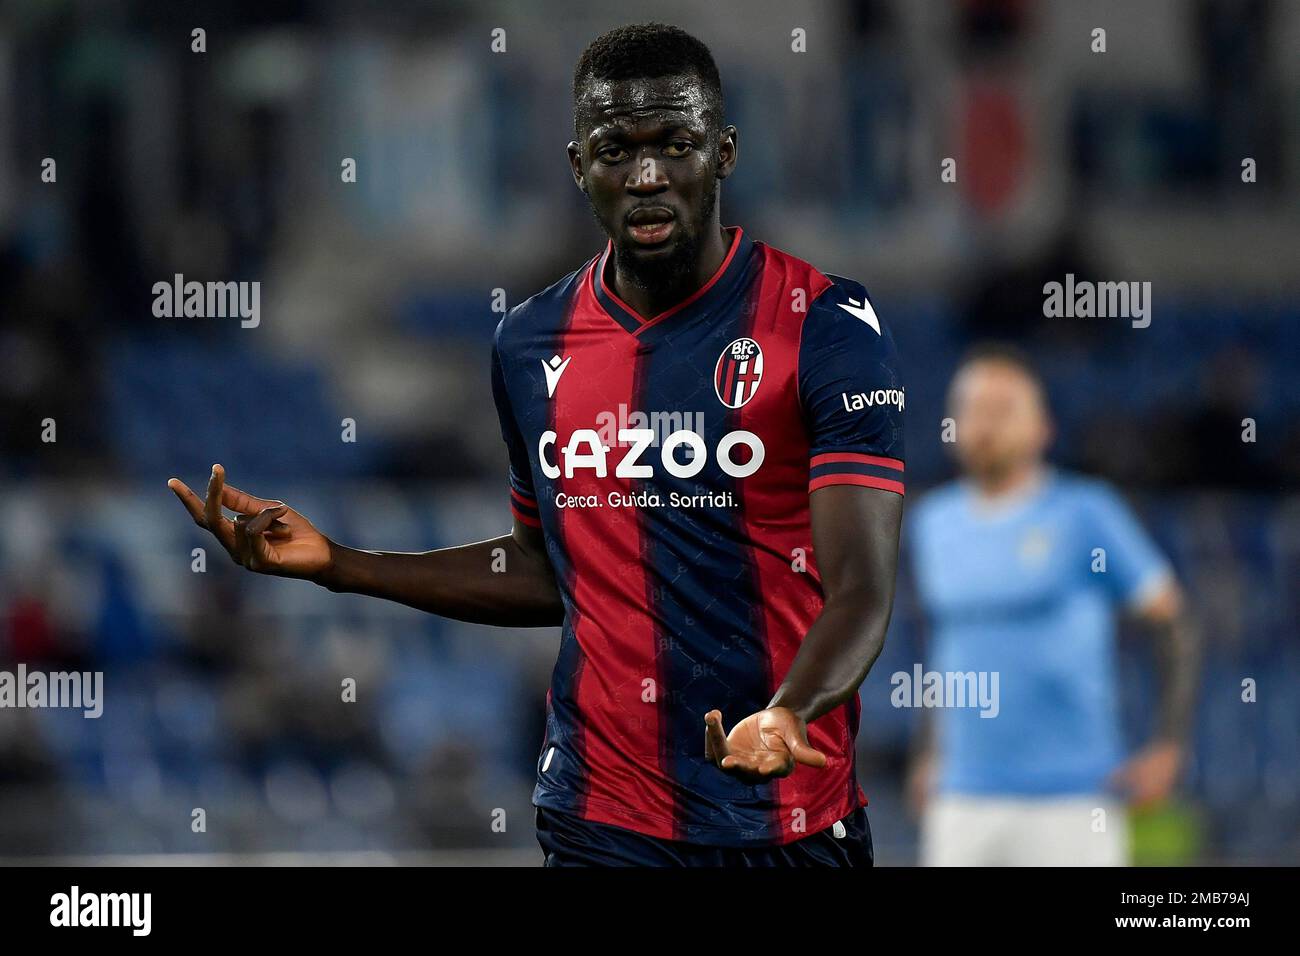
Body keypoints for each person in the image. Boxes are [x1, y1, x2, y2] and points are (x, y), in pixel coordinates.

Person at [169, 22, 906, 867]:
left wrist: (791, 709)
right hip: (600, 817)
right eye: (615, 150)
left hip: (788, 824)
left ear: (727, 152)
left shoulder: (826, 327)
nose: (648, 176)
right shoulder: (529, 343)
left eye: (677, 144)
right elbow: (545, 568)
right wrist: (344, 563)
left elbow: (860, 589)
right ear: (576, 165)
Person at [905, 345, 1199, 866]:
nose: (986, 424)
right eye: (973, 409)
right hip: (963, 795)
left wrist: (1169, 743)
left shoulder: (1088, 513)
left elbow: (1172, 621)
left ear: (1043, 428)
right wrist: (929, 752)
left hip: (1074, 798)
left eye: (1003, 409)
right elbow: (945, 646)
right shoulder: (932, 523)